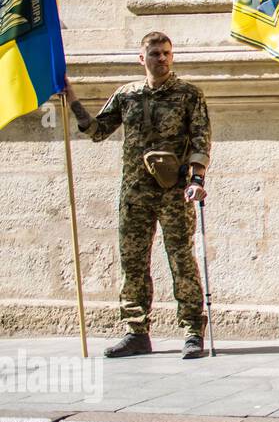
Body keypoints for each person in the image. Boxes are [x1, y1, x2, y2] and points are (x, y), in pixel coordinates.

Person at [64, 32, 211, 360]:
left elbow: (201, 139)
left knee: (181, 259)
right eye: (156, 53)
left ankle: (191, 329)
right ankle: (136, 331)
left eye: (167, 53)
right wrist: (72, 99)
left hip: (176, 193)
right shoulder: (127, 95)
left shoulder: (188, 95)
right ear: (141, 58)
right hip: (135, 193)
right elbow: (98, 130)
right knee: (132, 261)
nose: (162, 58)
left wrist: (197, 179)